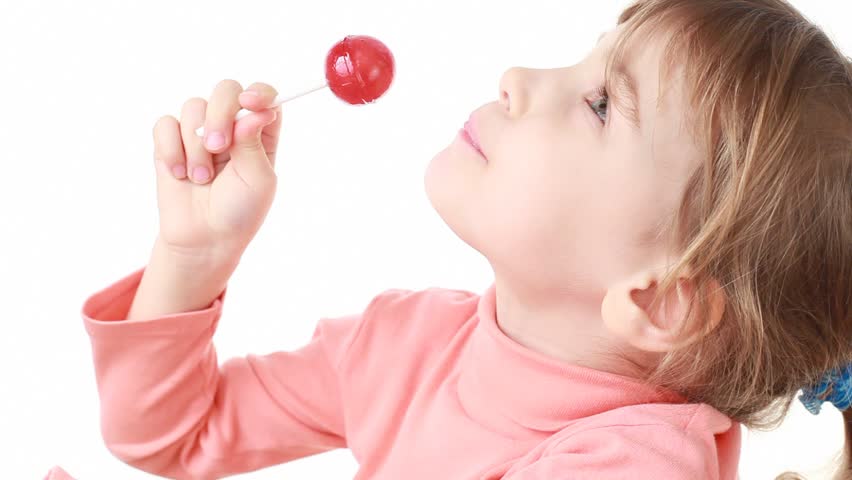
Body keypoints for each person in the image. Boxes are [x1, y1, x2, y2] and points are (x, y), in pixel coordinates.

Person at [77, 0, 851, 478]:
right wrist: (193, 258)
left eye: (602, 104)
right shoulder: (405, 344)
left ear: (661, 301)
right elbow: (176, 435)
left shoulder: (634, 464)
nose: (517, 76)